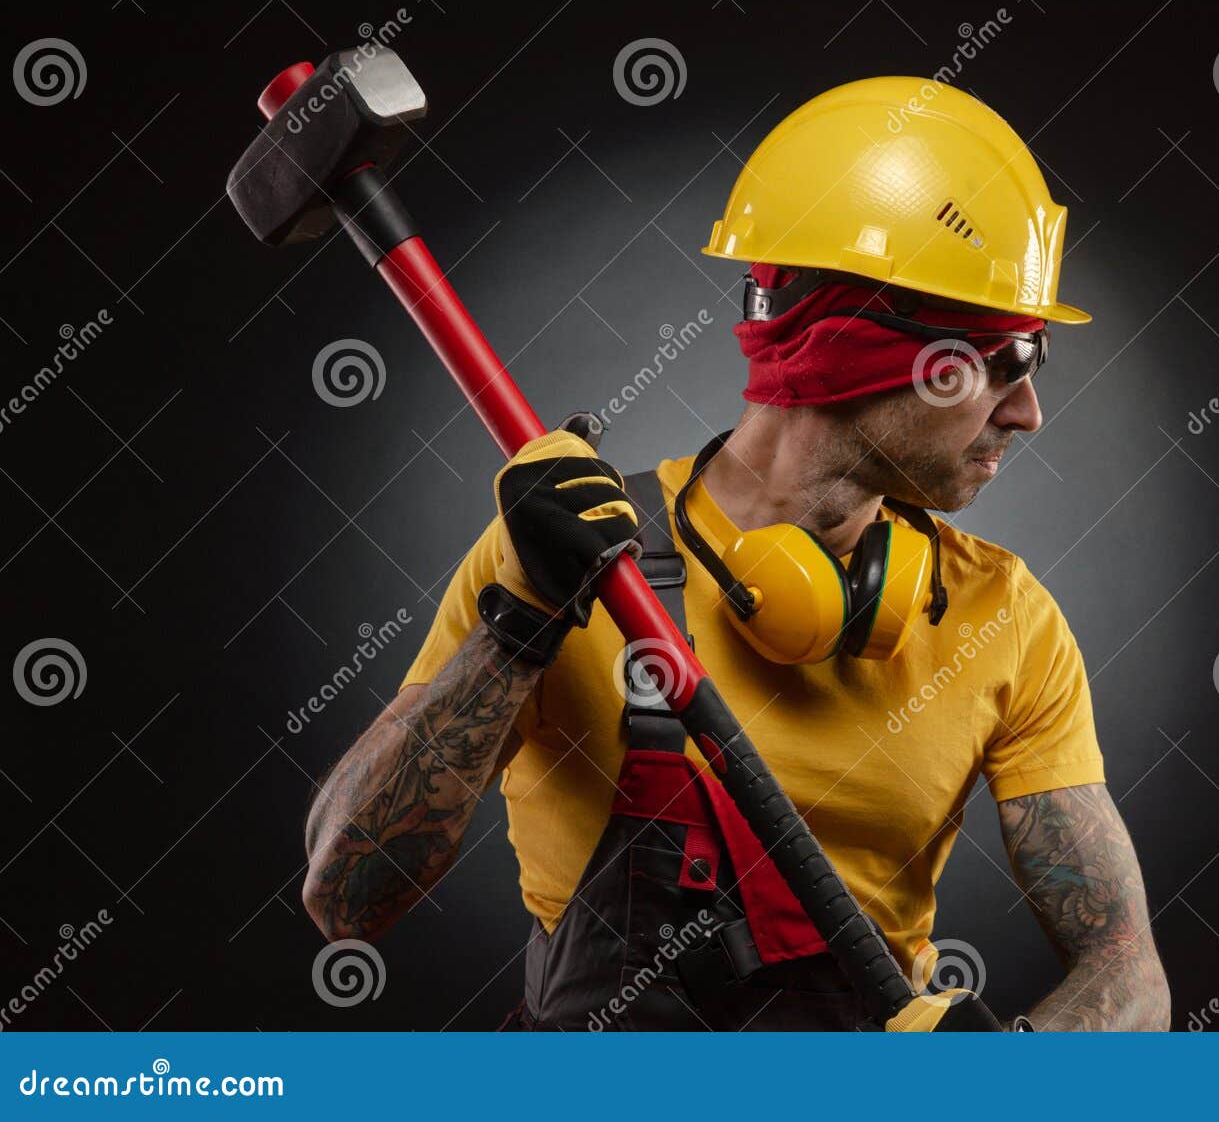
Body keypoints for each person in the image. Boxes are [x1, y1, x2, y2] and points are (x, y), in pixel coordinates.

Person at [300, 77, 1170, 1031]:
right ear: (860, 345)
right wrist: (521, 622)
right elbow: (350, 895)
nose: (1028, 412)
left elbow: (1130, 974)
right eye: (1005, 362)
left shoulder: (1003, 619)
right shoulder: (560, 549)